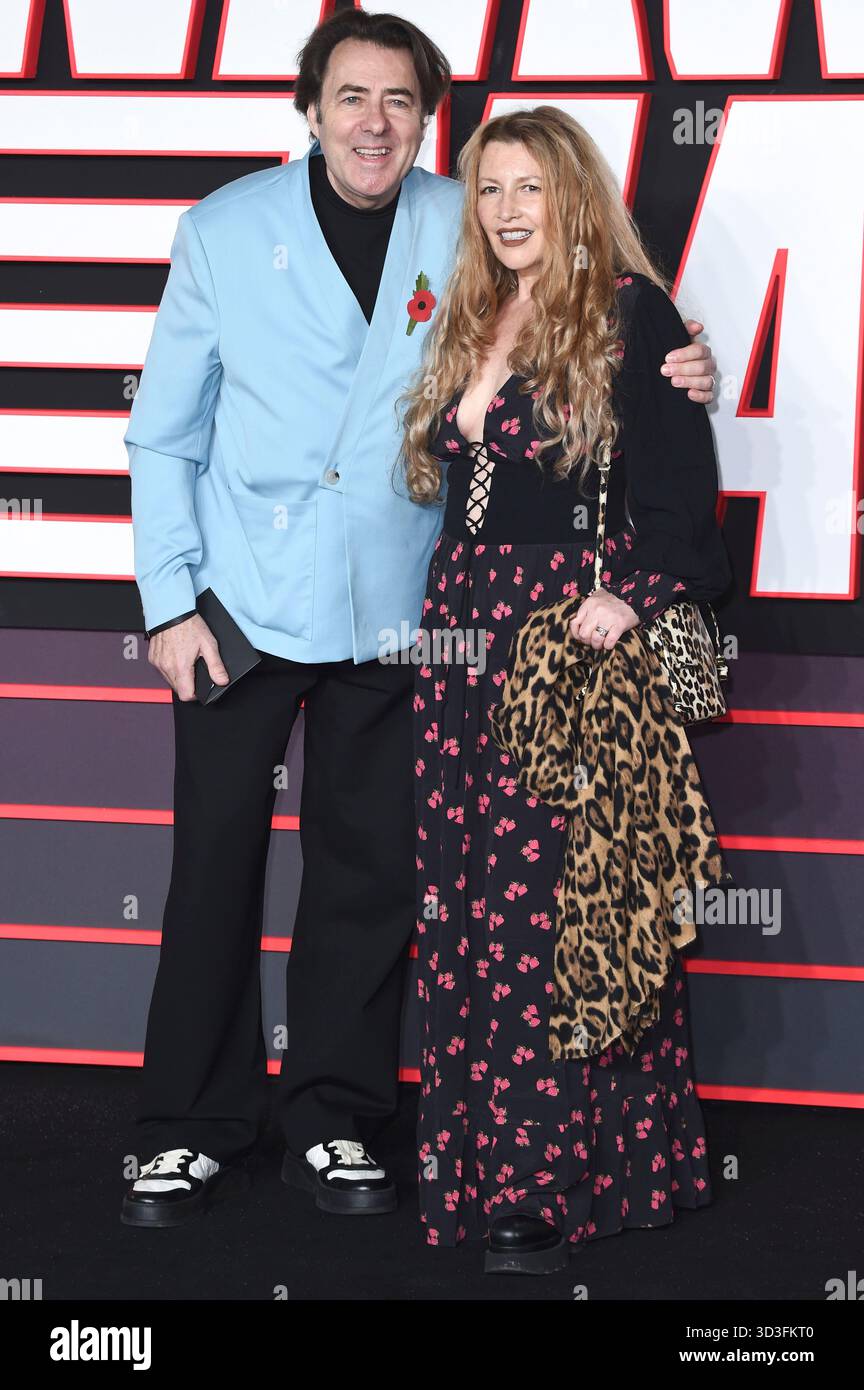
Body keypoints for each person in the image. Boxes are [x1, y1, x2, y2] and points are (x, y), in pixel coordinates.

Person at [119, 9, 718, 1228]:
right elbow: (163, 430)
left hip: (403, 612)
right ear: (311, 106)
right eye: (351, 97)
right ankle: (190, 1124)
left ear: (425, 115)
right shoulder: (224, 230)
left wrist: (682, 354)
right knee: (213, 865)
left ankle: (336, 1116)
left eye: (400, 101)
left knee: (371, 876)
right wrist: (173, 599)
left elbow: (590, 302)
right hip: (241, 601)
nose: (375, 123)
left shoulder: (470, 215)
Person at [399, 105, 732, 1272]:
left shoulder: (634, 317)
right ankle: (478, 1162)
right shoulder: (474, 314)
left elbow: (689, 501)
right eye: (489, 190)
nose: (505, 211)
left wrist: (630, 592)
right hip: (460, 642)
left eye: (529, 188)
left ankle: (553, 1183)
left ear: (574, 194)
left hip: (563, 653)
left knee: (559, 914)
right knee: (470, 908)